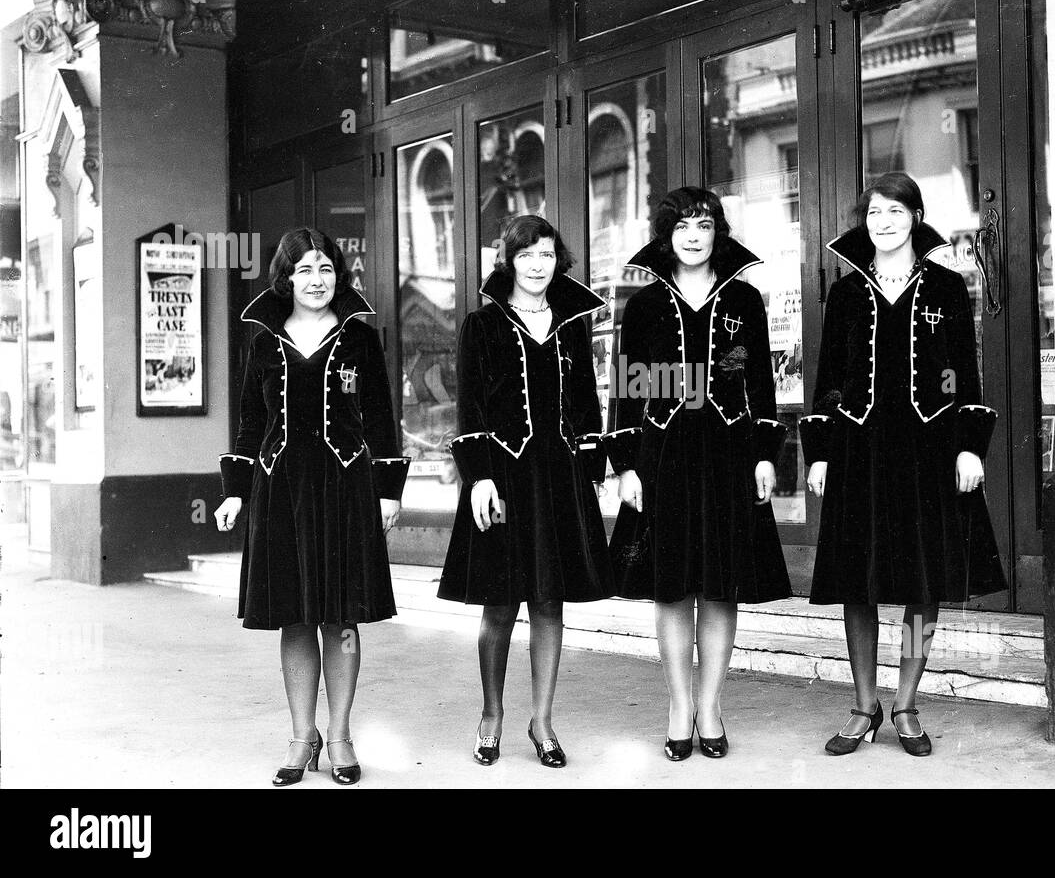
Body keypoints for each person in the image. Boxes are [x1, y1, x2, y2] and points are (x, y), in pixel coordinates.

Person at [801, 173, 1005, 758]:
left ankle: (907, 703)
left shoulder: (945, 288)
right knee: (856, 586)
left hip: (928, 454)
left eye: (895, 211)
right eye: (873, 213)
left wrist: (969, 446)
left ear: (916, 217)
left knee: (923, 585)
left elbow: (962, 374)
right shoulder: (845, 295)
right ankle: (863, 706)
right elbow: (829, 382)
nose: (883, 222)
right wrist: (821, 456)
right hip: (859, 454)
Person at [215, 227, 410, 786]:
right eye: (304, 270)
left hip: (346, 489)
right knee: (295, 618)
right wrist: (235, 491)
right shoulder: (262, 340)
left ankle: (342, 735)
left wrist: (388, 492)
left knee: (341, 618)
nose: (317, 280)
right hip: (281, 491)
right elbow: (252, 421)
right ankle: (303, 736)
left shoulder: (359, 338)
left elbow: (380, 418)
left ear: (338, 276)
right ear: (286, 278)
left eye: (325, 269)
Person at [605, 187, 790, 761]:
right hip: (664, 457)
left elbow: (762, 384)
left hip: (729, 455)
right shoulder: (643, 307)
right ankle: (679, 704)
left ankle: (711, 705)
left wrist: (764, 454)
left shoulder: (745, 300)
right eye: (681, 224)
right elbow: (629, 390)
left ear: (718, 233)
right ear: (667, 235)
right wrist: (626, 466)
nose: (692, 234)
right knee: (673, 584)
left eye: (703, 224)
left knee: (719, 584)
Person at [439, 215, 614, 769]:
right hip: (503, 477)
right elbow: (469, 405)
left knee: (548, 602)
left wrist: (592, 472)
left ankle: (543, 721)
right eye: (526, 256)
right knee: (499, 604)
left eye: (546, 255)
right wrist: (480, 477)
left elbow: (586, 406)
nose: (537, 266)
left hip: (559, 478)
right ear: (509, 261)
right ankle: (492, 714)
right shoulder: (482, 325)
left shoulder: (571, 326)